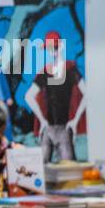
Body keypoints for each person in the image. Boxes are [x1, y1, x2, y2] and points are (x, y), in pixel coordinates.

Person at [24, 31, 86, 163]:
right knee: (41, 170)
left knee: (68, 169)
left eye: (56, 47)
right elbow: (28, 96)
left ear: (61, 47)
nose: (53, 52)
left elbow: (87, 93)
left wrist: (75, 120)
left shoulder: (70, 70)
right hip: (48, 128)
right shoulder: (45, 73)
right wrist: (42, 120)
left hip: (64, 128)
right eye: (50, 49)